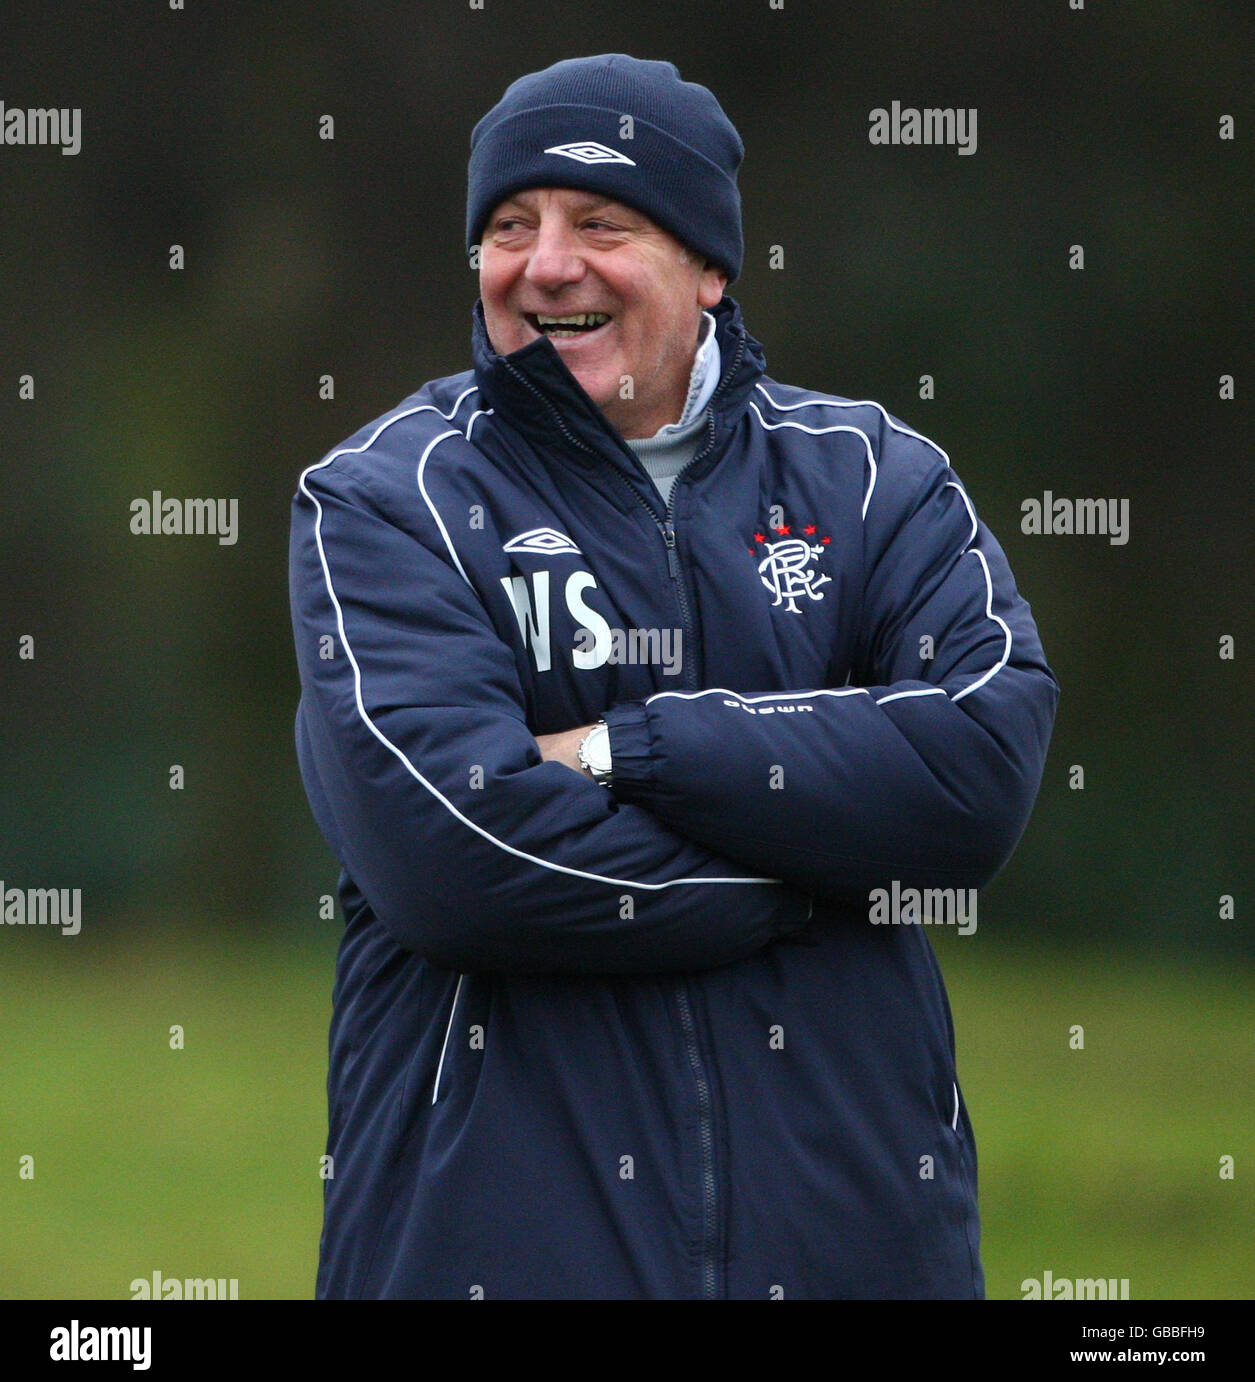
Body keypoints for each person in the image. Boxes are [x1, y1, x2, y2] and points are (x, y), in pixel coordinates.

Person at [289, 53, 1058, 1300]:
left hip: (858, 1252)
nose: (546, 263)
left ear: (708, 266)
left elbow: (976, 771)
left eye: (602, 223)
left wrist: (623, 754)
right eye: (508, 227)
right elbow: (457, 863)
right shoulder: (384, 498)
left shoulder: (874, 477)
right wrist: (824, 862)